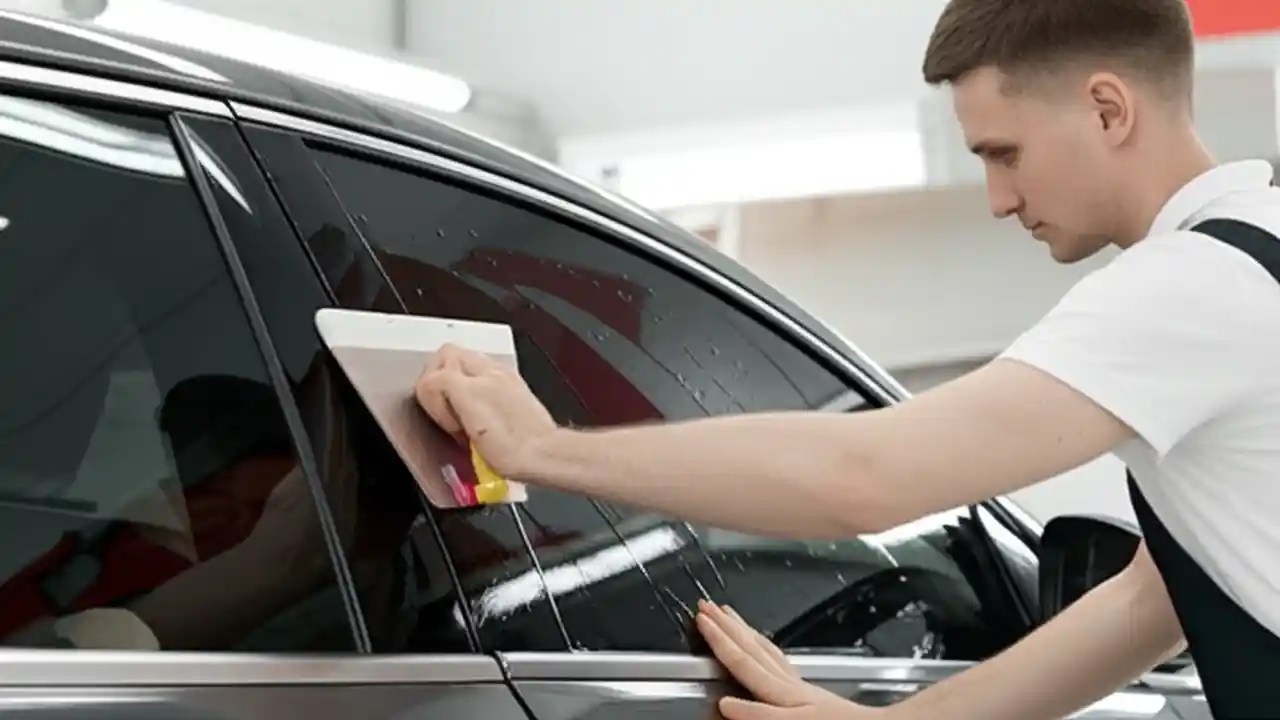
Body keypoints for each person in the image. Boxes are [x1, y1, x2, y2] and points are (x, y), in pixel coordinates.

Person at [415, 0, 1280, 716]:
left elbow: (868, 474)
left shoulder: (1192, 286)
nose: (998, 198)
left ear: (1107, 108)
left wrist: (541, 450)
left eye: (1003, 153)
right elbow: (1148, 603)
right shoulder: (1250, 257)